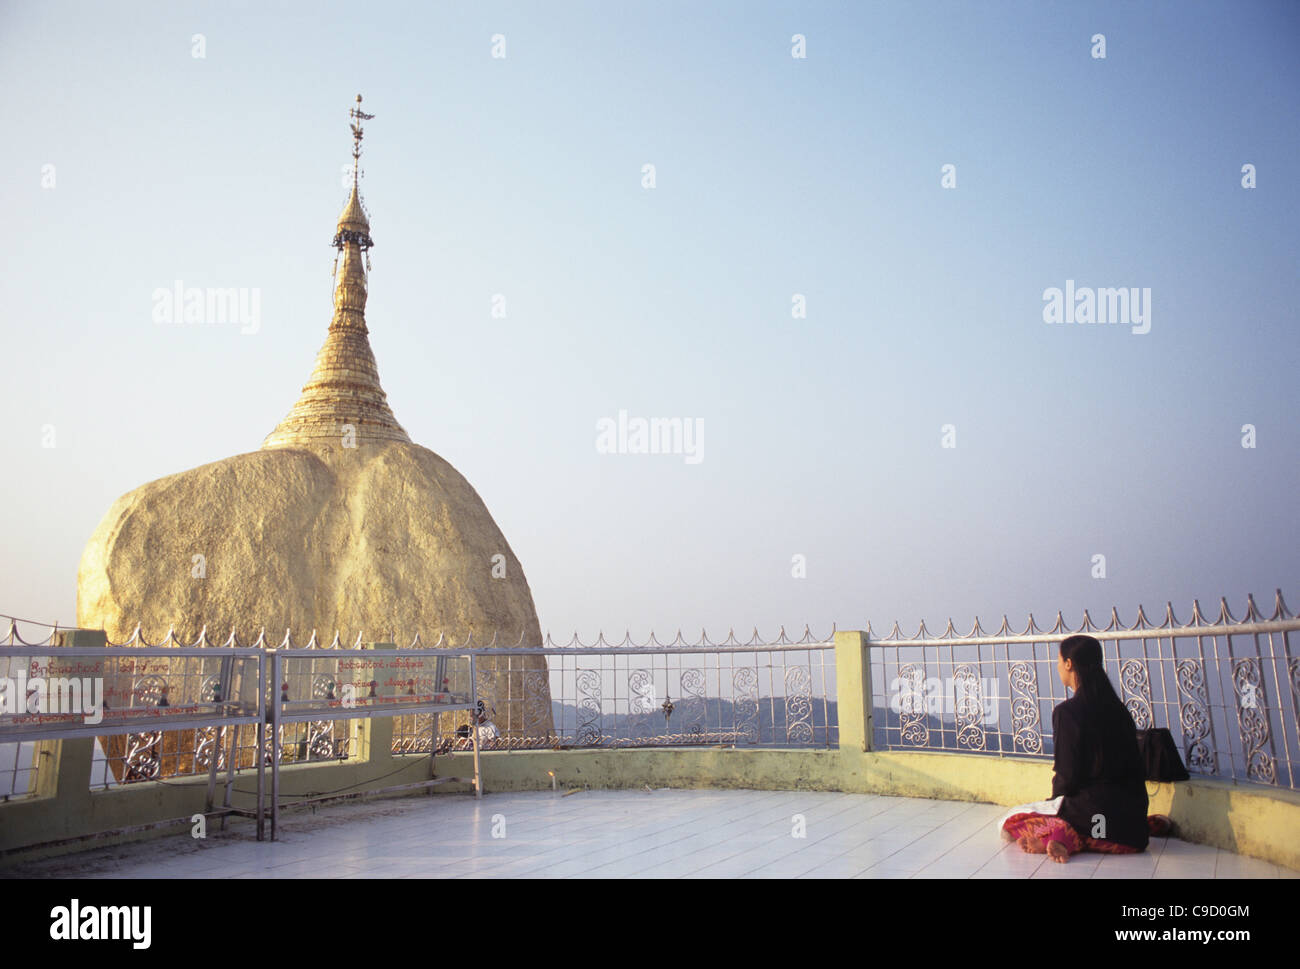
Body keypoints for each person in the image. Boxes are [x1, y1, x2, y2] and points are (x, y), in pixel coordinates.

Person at [1000, 635, 1170, 862]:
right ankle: (1075, 836)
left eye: (1059, 661)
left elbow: (1067, 777)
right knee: (1106, 818)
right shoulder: (1120, 711)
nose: (1058, 666)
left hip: (1094, 820)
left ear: (1069, 663)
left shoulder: (1067, 712)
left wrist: (1055, 806)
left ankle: (1064, 834)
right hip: (1132, 834)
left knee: (1012, 819)